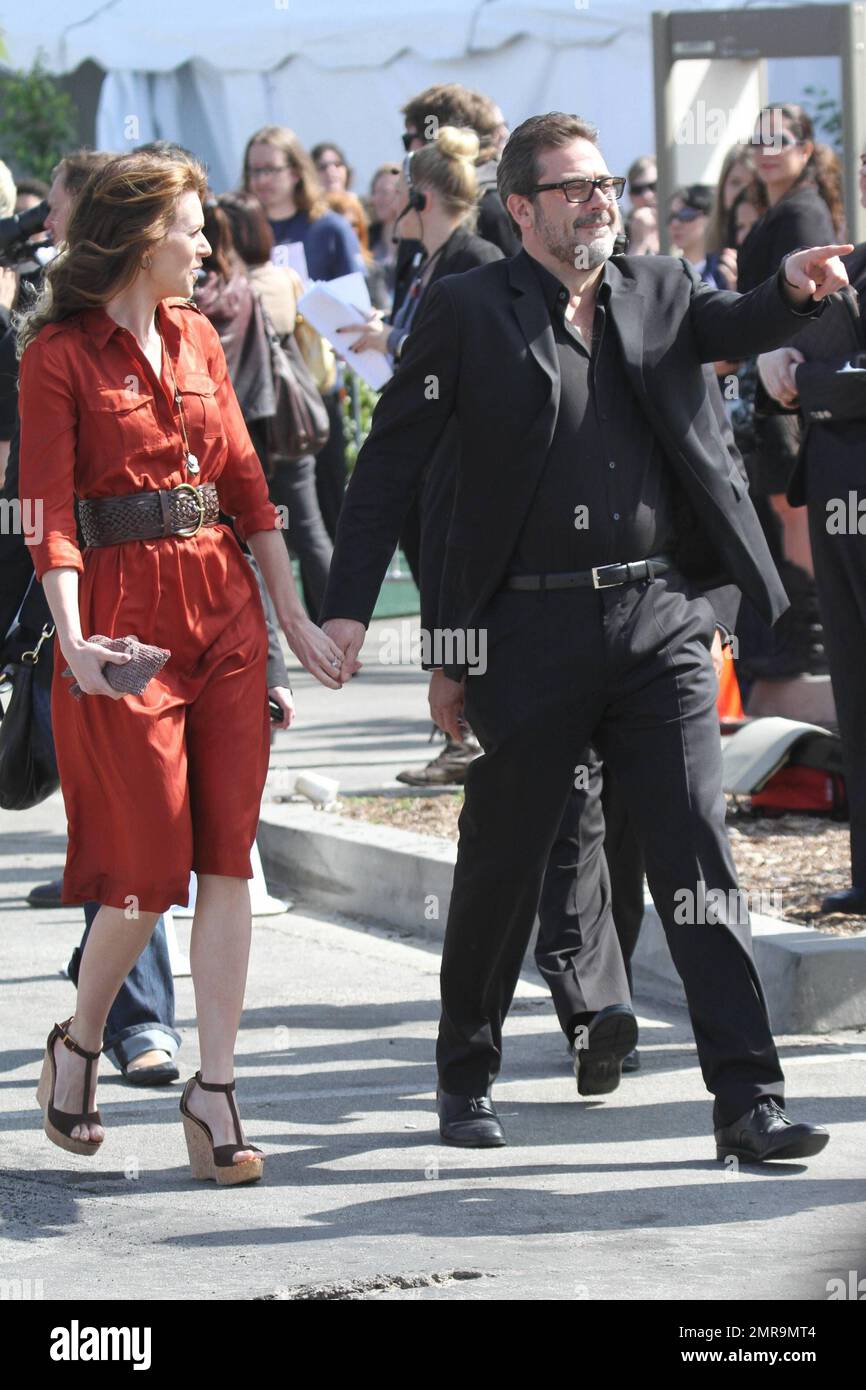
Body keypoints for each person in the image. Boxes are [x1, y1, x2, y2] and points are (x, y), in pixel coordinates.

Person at [319, 111, 849, 1162]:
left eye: (603, 181)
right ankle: (463, 1072)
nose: (596, 198)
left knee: (694, 845)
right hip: (525, 626)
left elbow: (730, 324)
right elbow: (388, 464)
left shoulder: (653, 287)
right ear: (519, 208)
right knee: (503, 859)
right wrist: (345, 602)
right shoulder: (471, 310)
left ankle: (746, 1097)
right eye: (571, 187)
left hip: (659, 618)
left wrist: (787, 288)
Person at [17, 149, 345, 1183]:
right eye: (192, 227)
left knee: (224, 856)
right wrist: (73, 639)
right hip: (122, 620)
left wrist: (292, 614)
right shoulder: (56, 356)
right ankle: (79, 1040)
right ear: (137, 233)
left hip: (225, 610)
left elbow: (251, 492)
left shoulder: (202, 335)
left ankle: (214, 1088)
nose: (208, 243)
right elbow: (50, 515)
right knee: (143, 873)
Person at [335, 127, 502, 787]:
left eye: (402, 197)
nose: (391, 209)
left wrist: (394, 340)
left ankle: (467, 733)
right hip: (424, 454)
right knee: (436, 588)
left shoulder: (475, 257)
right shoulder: (424, 262)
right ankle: (456, 732)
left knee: (453, 591)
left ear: (423, 199)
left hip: (459, 456)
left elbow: (470, 354)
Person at [757, 140, 866, 917]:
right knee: (855, 686)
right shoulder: (851, 264)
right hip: (834, 494)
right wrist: (778, 358)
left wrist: (804, 381)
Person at [242, 125, 363, 542]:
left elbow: (357, 301)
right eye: (253, 171)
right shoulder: (243, 229)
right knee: (265, 511)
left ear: (296, 172)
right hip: (258, 389)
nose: (260, 180)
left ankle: (330, 605)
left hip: (314, 381)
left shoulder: (327, 227)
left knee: (325, 507)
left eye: (270, 170)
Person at [218, 189, 333, 619]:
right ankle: (333, 622)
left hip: (257, 418)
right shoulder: (285, 278)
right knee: (308, 526)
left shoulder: (240, 290)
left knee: (252, 531)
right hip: (291, 418)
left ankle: (266, 630)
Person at [667, 184, 721, 286]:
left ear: (710, 217)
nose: (675, 224)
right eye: (672, 216)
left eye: (686, 214)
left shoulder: (726, 270)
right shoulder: (667, 273)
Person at [624, 154, 658, 256]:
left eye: (653, 186)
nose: (647, 196)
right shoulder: (620, 232)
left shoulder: (680, 225)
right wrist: (638, 244)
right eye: (637, 190)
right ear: (630, 196)